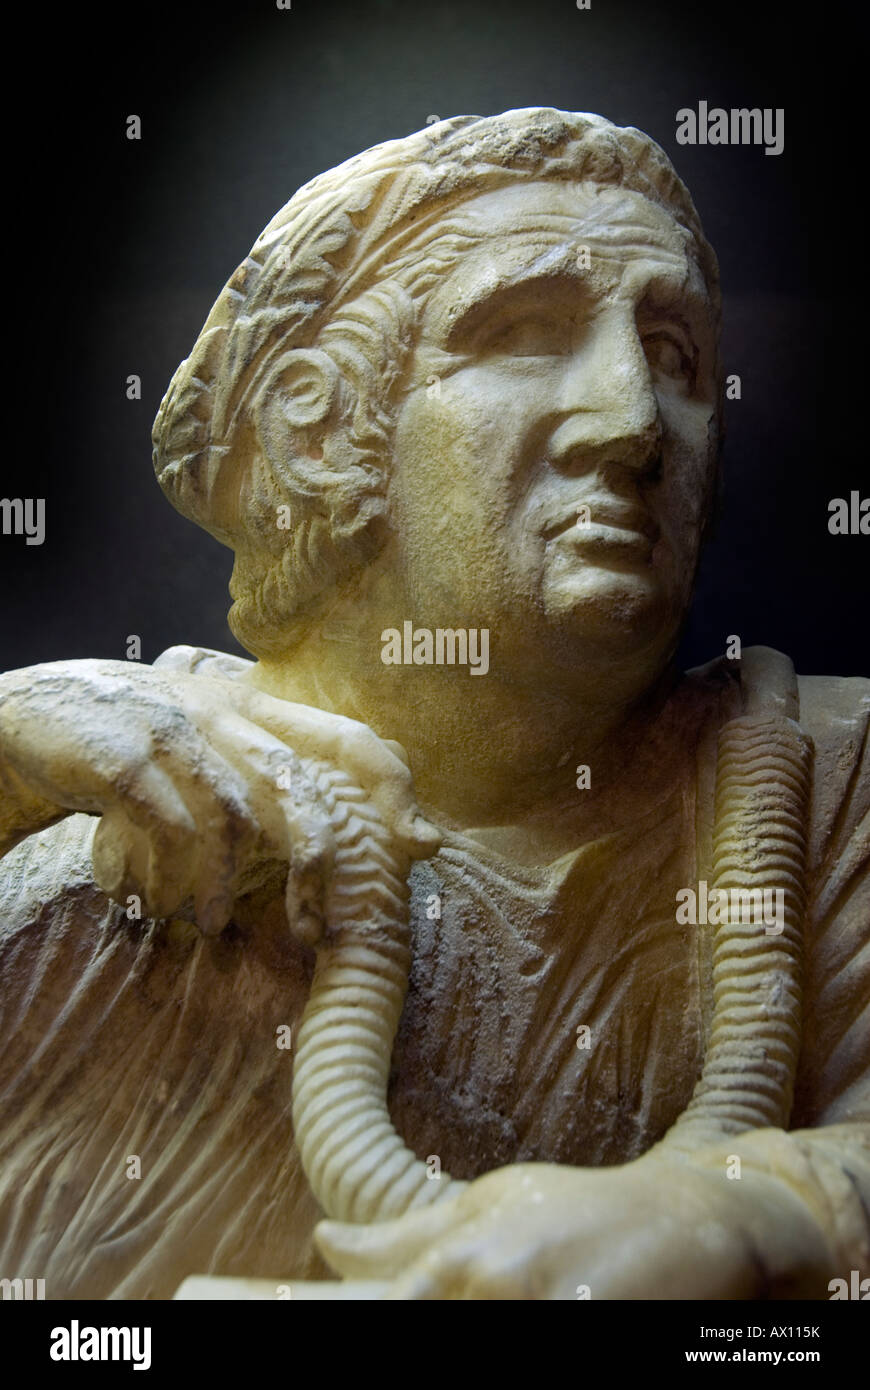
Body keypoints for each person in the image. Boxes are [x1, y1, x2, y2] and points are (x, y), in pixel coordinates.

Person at [0, 109, 867, 1300]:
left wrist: (761, 1209)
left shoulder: (827, 791)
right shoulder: (95, 804)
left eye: (675, 356)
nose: (634, 422)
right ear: (317, 433)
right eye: (524, 337)